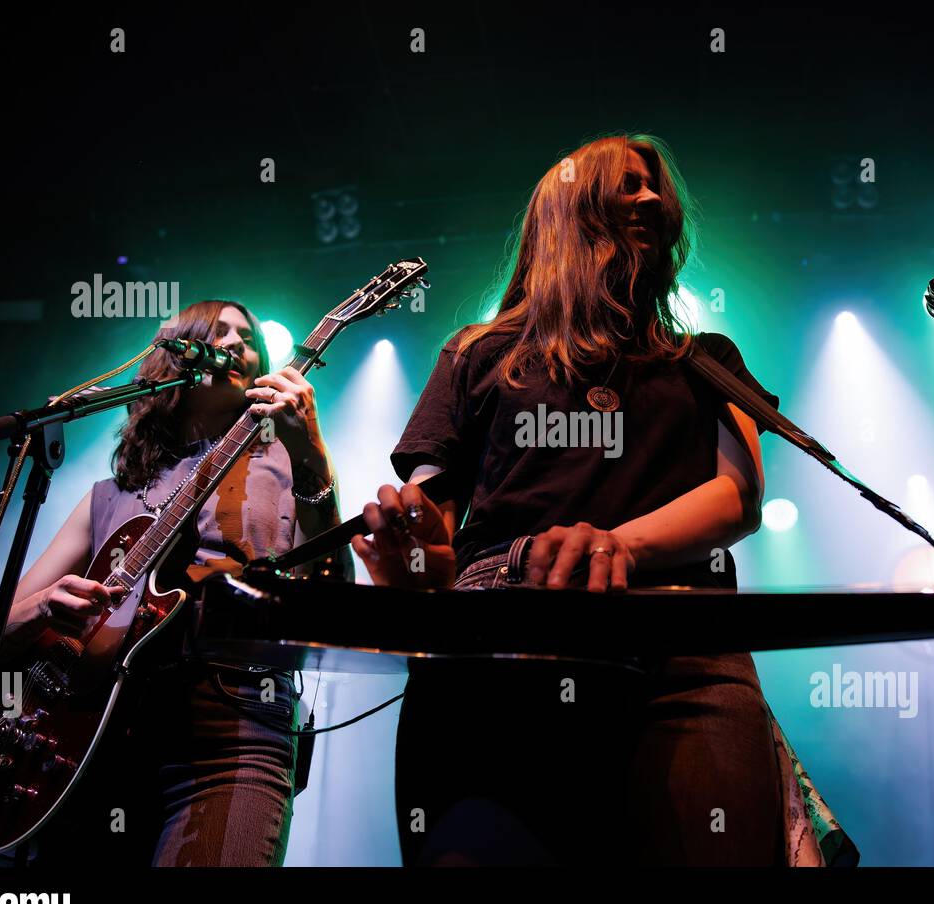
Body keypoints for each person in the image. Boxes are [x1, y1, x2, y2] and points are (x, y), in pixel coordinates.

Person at [353, 134, 855, 866]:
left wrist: (619, 545)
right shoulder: (476, 351)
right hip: (496, 656)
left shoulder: (708, 362)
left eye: (656, 188)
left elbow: (738, 497)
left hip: (683, 658)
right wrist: (415, 562)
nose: (653, 198)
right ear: (569, 208)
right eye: (629, 186)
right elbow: (431, 519)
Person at [0, 300, 343, 866]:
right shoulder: (108, 494)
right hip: (95, 734)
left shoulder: (289, 466)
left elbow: (336, 594)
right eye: (219, 333)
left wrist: (313, 458)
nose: (239, 344)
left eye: (249, 338)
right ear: (177, 355)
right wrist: (47, 605)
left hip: (232, 728)